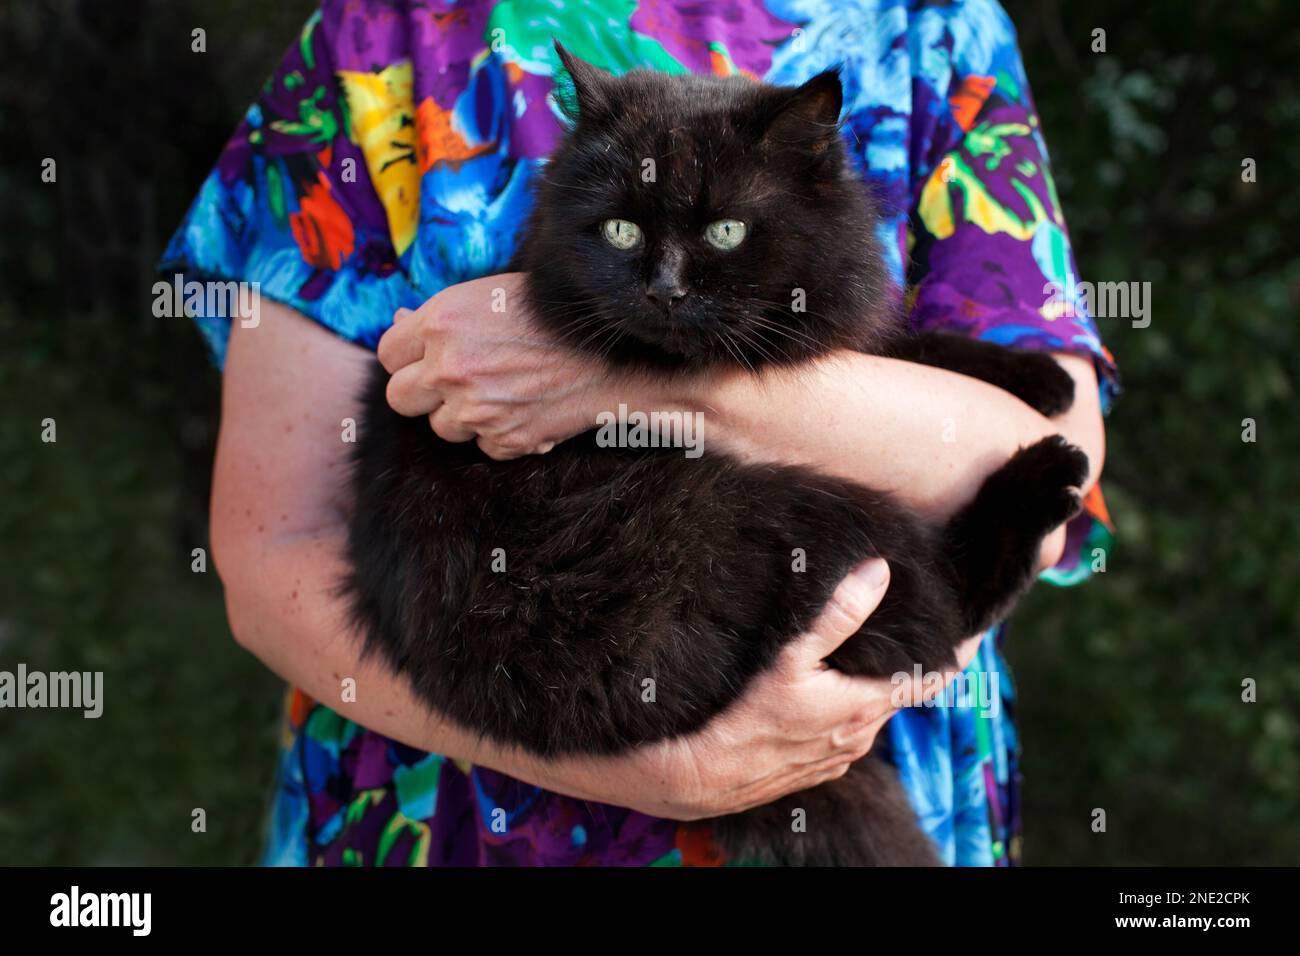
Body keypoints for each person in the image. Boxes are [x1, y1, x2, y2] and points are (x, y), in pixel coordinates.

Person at [161, 0, 1117, 866]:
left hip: (859, 733)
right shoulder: (382, 36)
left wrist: (618, 386)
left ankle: (949, 590)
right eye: (624, 238)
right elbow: (268, 556)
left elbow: (1052, 447)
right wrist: (666, 768)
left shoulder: (933, 27)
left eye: (722, 240)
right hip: (467, 774)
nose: (665, 284)